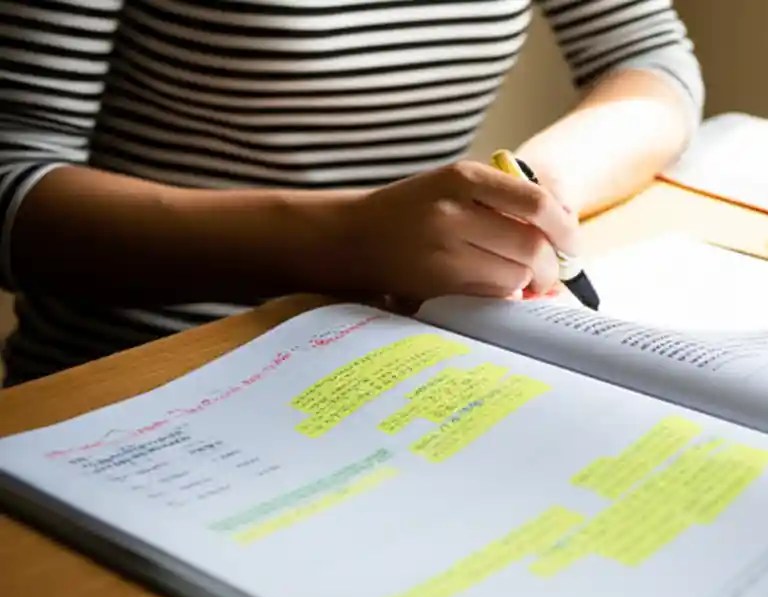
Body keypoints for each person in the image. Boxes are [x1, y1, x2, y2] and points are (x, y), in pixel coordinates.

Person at [0, 0, 703, 386]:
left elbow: (646, 57)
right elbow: (14, 180)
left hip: (398, 362)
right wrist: (343, 242)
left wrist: (539, 186)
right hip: (136, 381)